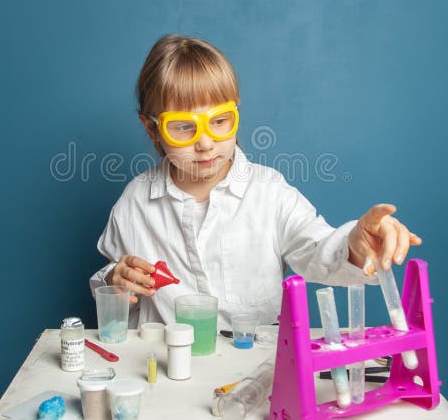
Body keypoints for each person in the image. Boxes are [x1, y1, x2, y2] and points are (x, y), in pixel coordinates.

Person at [89, 34, 421, 330]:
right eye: (184, 127)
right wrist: (115, 280)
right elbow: (111, 290)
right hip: (167, 366)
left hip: (254, 365)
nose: (205, 143)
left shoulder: (269, 193)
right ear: (152, 129)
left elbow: (319, 250)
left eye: (220, 121)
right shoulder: (135, 203)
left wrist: (354, 244)